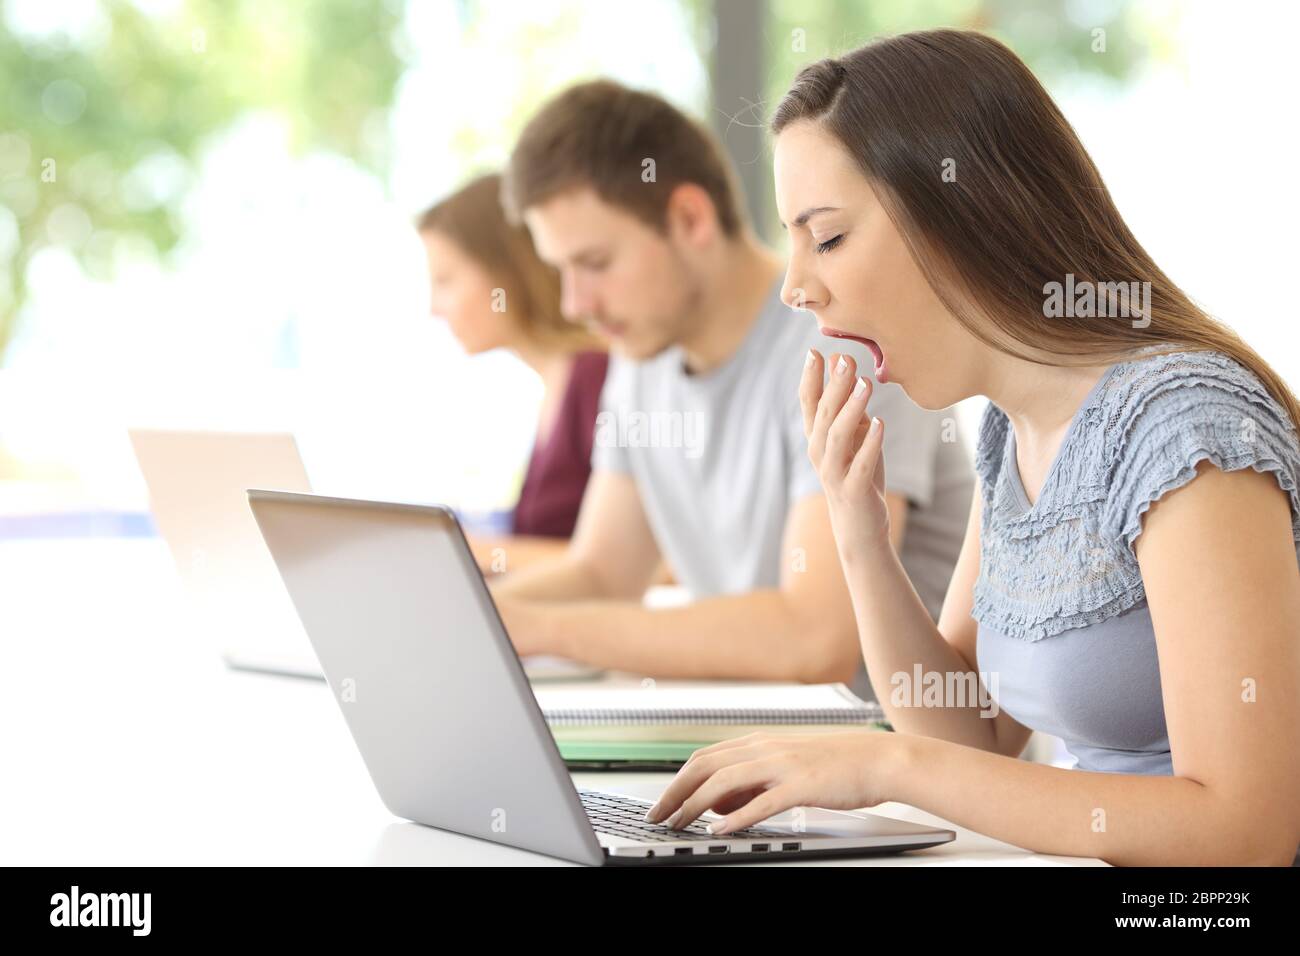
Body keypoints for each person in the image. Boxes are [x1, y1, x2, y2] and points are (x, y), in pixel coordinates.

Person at [645, 29, 1300, 867]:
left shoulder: (1186, 426)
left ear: (961, 212)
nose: (795, 286)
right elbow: (974, 731)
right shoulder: (1013, 429)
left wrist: (886, 764)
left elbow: (1245, 837)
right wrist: (857, 529)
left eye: (830, 236)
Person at [491, 79, 973, 696]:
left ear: (689, 218)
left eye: (595, 264)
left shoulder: (841, 334)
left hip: (899, 756)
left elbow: (815, 638)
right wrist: (468, 617)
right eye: (559, 271)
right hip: (767, 745)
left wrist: (539, 630)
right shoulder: (641, 352)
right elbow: (604, 571)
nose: (575, 303)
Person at [417, 173, 607, 574]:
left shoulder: (597, 377)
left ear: (507, 274)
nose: (434, 308)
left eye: (446, 281)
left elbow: (636, 564)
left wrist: (471, 551)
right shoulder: (559, 380)